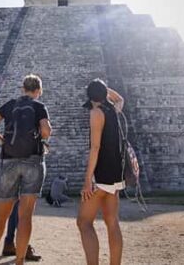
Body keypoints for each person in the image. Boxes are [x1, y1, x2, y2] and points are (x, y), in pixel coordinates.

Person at [0, 74, 51, 265]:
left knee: (1, 214)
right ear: (38, 90)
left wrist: (3, 141)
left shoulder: (10, 105)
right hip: (33, 161)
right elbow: (46, 131)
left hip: (9, 161)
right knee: (25, 216)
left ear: (22, 88)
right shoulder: (38, 106)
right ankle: (19, 261)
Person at [77, 79, 126, 265]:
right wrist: (106, 91)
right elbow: (120, 98)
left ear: (90, 99)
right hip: (115, 173)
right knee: (112, 222)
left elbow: (95, 147)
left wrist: (88, 179)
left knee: (84, 222)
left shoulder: (96, 113)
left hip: (101, 174)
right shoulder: (113, 110)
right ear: (104, 95)